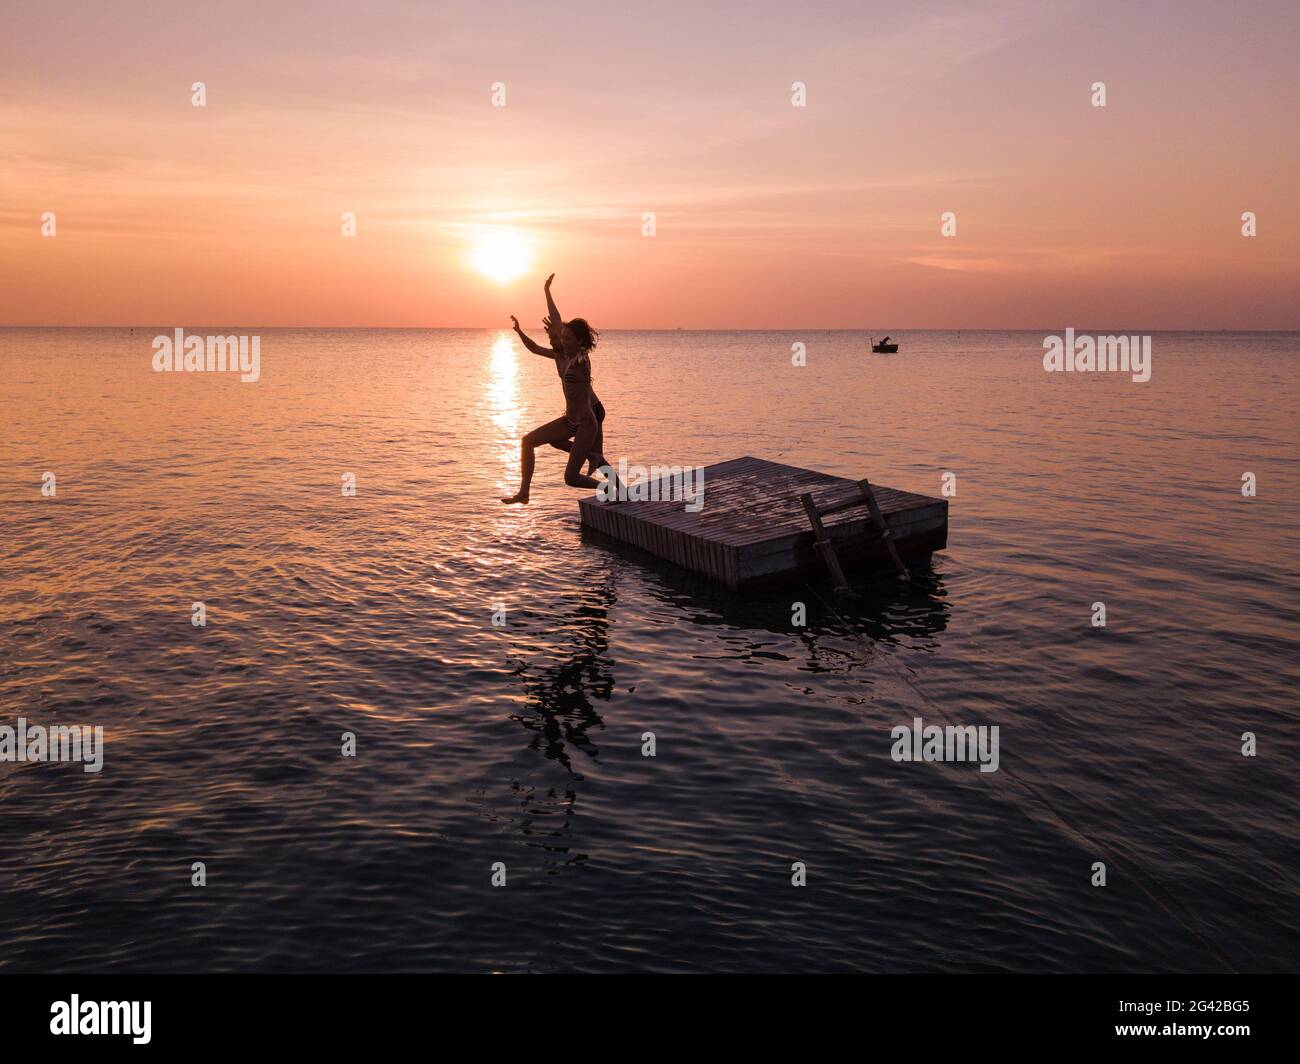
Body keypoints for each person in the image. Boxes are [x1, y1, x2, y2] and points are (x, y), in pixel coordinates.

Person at [501, 275, 618, 505]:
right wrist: (519, 331)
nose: (561, 339)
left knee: (572, 477)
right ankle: (524, 493)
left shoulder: (580, 357)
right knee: (528, 441)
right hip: (570, 420)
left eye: (566, 337)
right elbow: (535, 347)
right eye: (560, 337)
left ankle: (611, 488)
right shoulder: (558, 355)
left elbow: (558, 322)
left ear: (578, 341)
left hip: (588, 417)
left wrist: (547, 292)